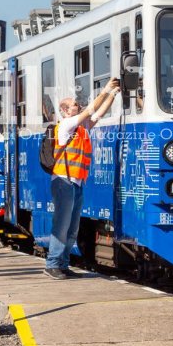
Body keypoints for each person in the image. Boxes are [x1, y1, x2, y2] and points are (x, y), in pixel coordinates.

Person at [46, 78, 119, 279]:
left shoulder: (81, 128)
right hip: (63, 182)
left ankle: (63, 264)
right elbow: (89, 111)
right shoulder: (66, 125)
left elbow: (99, 113)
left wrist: (113, 94)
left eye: (77, 105)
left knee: (72, 227)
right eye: (73, 105)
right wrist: (105, 89)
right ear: (65, 111)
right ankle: (52, 264)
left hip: (76, 183)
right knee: (61, 225)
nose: (78, 107)